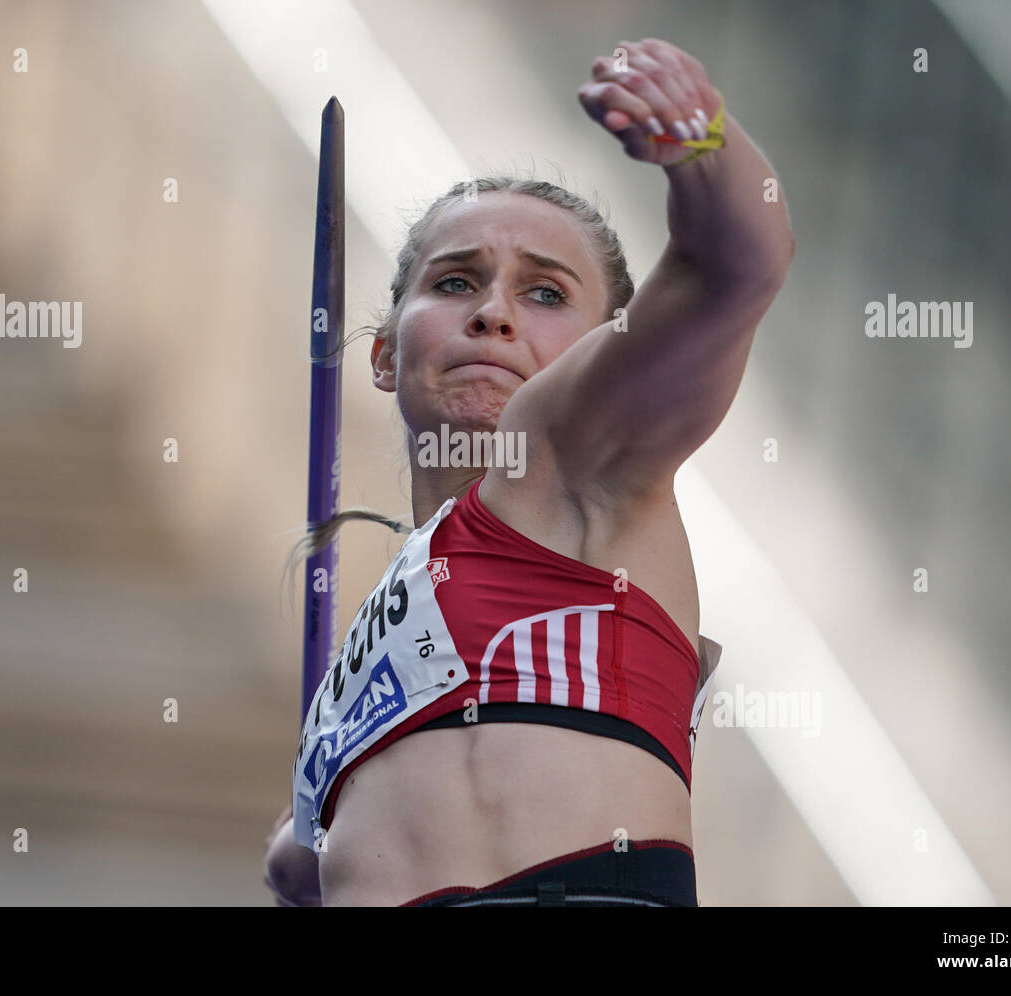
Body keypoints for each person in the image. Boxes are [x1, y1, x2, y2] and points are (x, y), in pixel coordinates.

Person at [266, 37, 793, 907]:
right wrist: (304, 848)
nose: (494, 315)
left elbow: (739, 265)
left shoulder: (565, 449)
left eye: (545, 293)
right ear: (387, 355)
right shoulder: (373, 654)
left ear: (603, 352)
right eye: (456, 282)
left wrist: (703, 141)